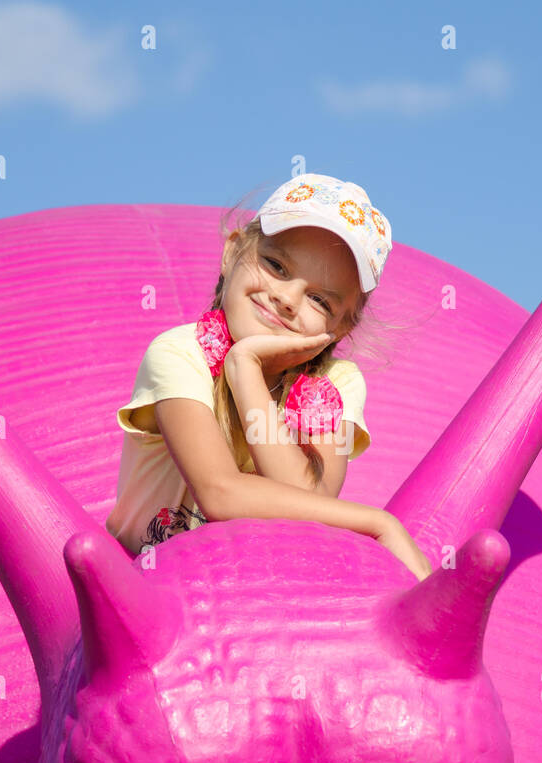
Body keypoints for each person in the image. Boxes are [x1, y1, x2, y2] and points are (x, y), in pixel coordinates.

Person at [104, 173, 433, 581]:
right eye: (276, 265)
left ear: (344, 327)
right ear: (231, 253)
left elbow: (309, 502)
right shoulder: (178, 353)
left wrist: (247, 375)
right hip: (145, 583)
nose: (287, 298)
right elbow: (219, 493)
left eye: (318, 299)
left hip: (251, 587)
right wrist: (379, 524)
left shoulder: (337, 383)